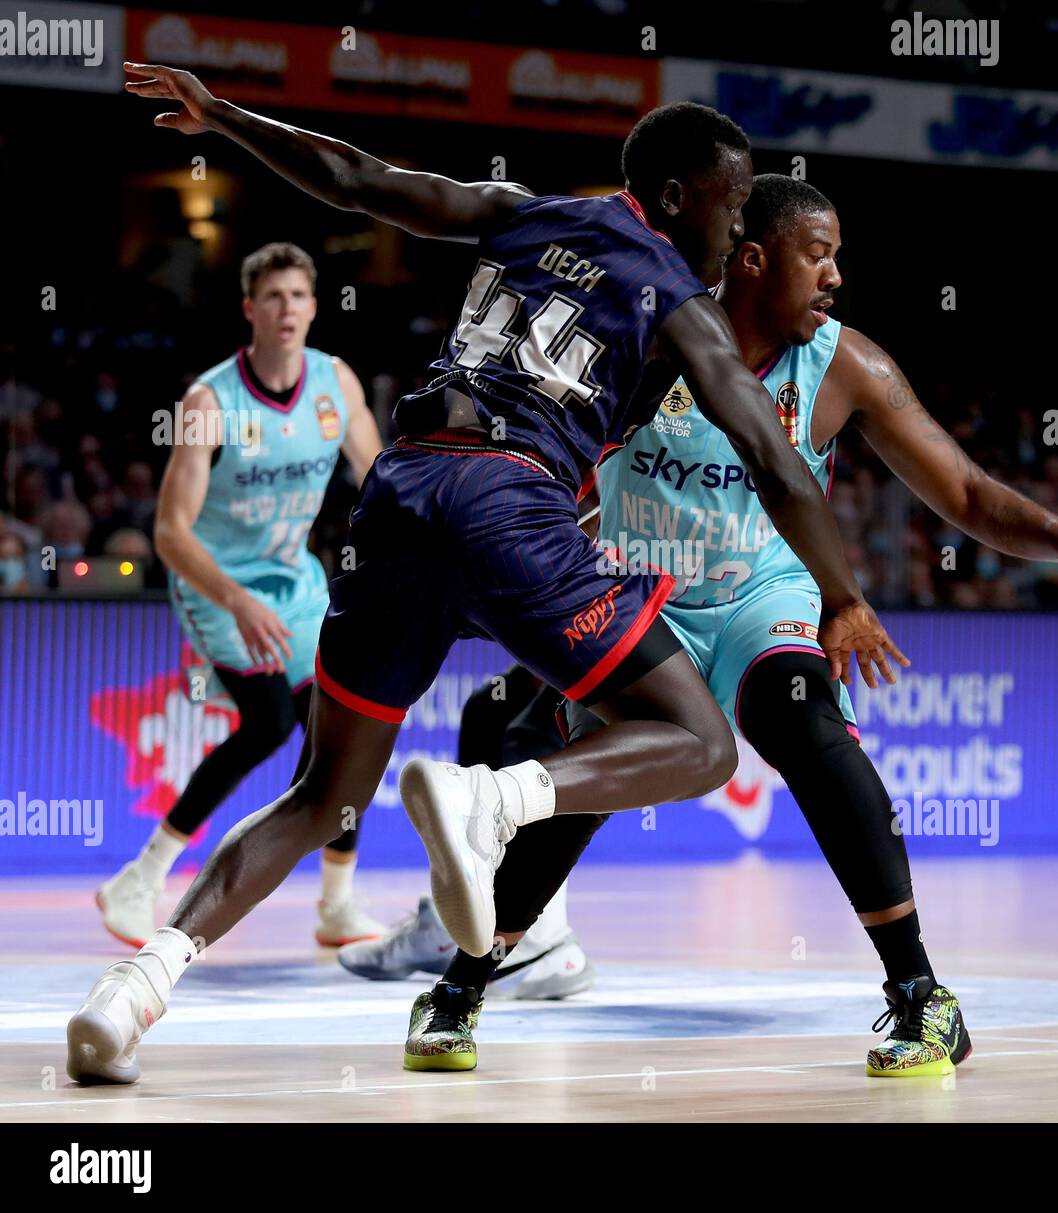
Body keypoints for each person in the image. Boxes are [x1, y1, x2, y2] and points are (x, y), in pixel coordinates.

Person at [67, 69, 895, 1084]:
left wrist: (228, 118)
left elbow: (359, 179)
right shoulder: (680, 295)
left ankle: (132, 990)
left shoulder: (520, 213)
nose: (734, 232)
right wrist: (844, 594)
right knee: (698, 740)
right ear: (680, 196)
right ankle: (493, 802)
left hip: (400, 499)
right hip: (508, 503)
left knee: (323, 796)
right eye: (731, 203)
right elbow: (772, 455)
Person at [403, 175, 1058, 1075]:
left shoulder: (846, 364)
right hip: (641, 593)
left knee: (803, 720)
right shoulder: (647, 330)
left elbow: (967, 491)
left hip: (760, 596)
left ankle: (922, 996)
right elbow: (552, 458)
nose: (834, 276)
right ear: (752, 257)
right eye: (817, 254)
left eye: (836, 258)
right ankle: (461, 988)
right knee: (587, 774)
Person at [94, 242, 386, 952]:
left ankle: (337, 903)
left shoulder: (335, 382)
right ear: (250, 310)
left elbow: (381, 478)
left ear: (315, 309)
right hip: (213, 581)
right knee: (267, 724)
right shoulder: (208, 401)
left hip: (293, 581)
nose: (288, 309)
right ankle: (143, 876)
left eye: (299, 297)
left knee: (348, 726)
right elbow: (168, 532)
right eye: (274, 297)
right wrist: (237, 599)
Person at [337, 666, 592, 1000]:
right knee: (490, 708)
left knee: (540, 733)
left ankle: (537, 941)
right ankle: (468, 921)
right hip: (603, 636)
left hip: (657, 647)